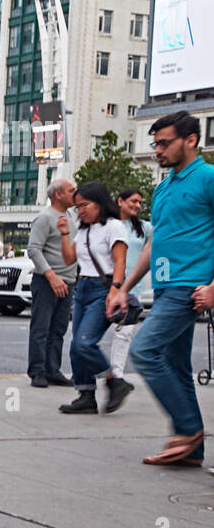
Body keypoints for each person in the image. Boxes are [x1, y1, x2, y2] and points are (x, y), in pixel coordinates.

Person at [109, 111, 213, 468]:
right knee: (176, 366)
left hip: (190, 287)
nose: (158, 150)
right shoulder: (164, 187)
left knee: (145, 350)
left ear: (191, 140)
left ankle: (188, 430)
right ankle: (192, 452)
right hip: (166, 286)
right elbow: (155, 243)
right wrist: (124, 288)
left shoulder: (208, 178)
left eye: (164, 143)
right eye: (155, 144)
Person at [57, 182, 132, 415]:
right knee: (76, 347)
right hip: (83, 288)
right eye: (78, 207)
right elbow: (69, 259)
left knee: (84, 343)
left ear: (99, 202)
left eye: (85, 205)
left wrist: (115, 290)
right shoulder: (84, 230)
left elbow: (120, 261)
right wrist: (65, 233)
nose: (81, 211)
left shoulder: (114, 226)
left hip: (103, 288)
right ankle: (86, 396)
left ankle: (114, 381)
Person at [26, 179, 77, 388]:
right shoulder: (45, 217)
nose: (75, 194)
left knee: (58, 329)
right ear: (58, 194)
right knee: (41, 328)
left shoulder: (72, 216)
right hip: (47, 282)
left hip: (68, 282)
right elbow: (33, 249)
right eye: (71, 190)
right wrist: (51, 276)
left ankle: (53, 370)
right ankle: (37, 372)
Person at [108, 188, 150, 384]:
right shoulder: (107, 224)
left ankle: (117, 376)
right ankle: (84, 372)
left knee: (124, 334)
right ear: (120, 201)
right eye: (133, 201)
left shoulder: (145, 228)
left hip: (131, 291)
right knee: (90, 335)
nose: (138, 205)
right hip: (106, 287)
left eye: (140, 202)